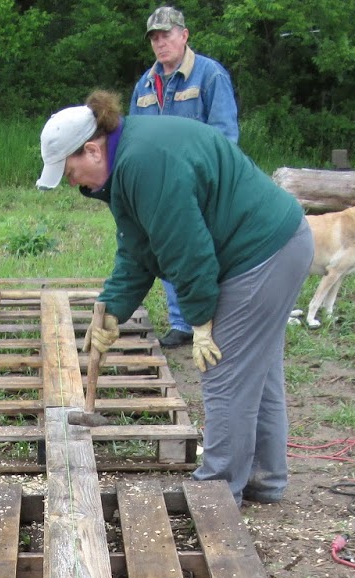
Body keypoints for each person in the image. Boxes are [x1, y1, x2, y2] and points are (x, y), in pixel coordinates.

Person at [36, 91, 313, 505]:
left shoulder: (144, 162)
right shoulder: (128, 161)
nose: (72, 182)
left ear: (92, 149)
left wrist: (201, 321)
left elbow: (186, 248)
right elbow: (138, 248)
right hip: (276, 245)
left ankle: (217, 492)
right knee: (258, 372)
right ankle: (264, 478)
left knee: (225, 374)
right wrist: (111, 311)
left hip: (260, 254)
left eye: (70, 171)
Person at [130, 6, 239, 348]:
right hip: (160, 188)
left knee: (205, 250)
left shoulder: (209, 75)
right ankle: (182, 323)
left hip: (200, 181)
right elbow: (134, 137)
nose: (161, 43)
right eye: (155, 38)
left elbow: (224, 135)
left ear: (184, 35)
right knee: (165, 249)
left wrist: (206, 179)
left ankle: (217, 320)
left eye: (167, 35)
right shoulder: (145, 84)